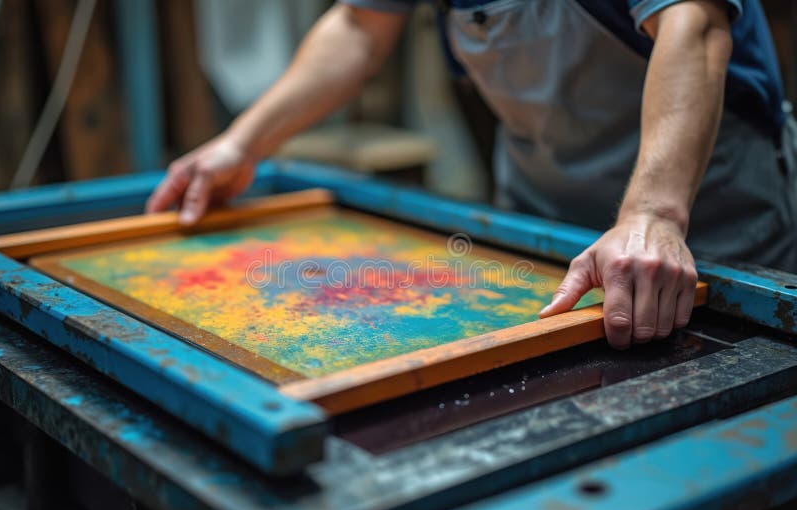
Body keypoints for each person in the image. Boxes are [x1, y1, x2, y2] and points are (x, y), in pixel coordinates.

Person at [146, 0, 797, 348]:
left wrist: (653, 216)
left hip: (704, 220)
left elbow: (694, 26)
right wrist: (242, 143)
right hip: (542, 217)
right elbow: (359, 27)